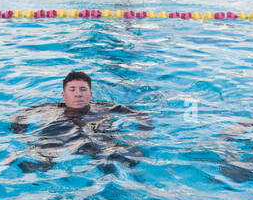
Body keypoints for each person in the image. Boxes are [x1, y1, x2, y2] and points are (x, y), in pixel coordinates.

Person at [9, 71, 152, 173]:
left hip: (96, 138)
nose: (78, 94)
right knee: (41, 165)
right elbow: (19, 118)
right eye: (72, 90)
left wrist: (141, 136)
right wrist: (24, 138)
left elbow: (141, 115)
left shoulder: (105, 108)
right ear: (63, 95)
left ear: (90, 95)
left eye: (83, 89)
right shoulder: (48, 109)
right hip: (56, 135)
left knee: (133, 158)